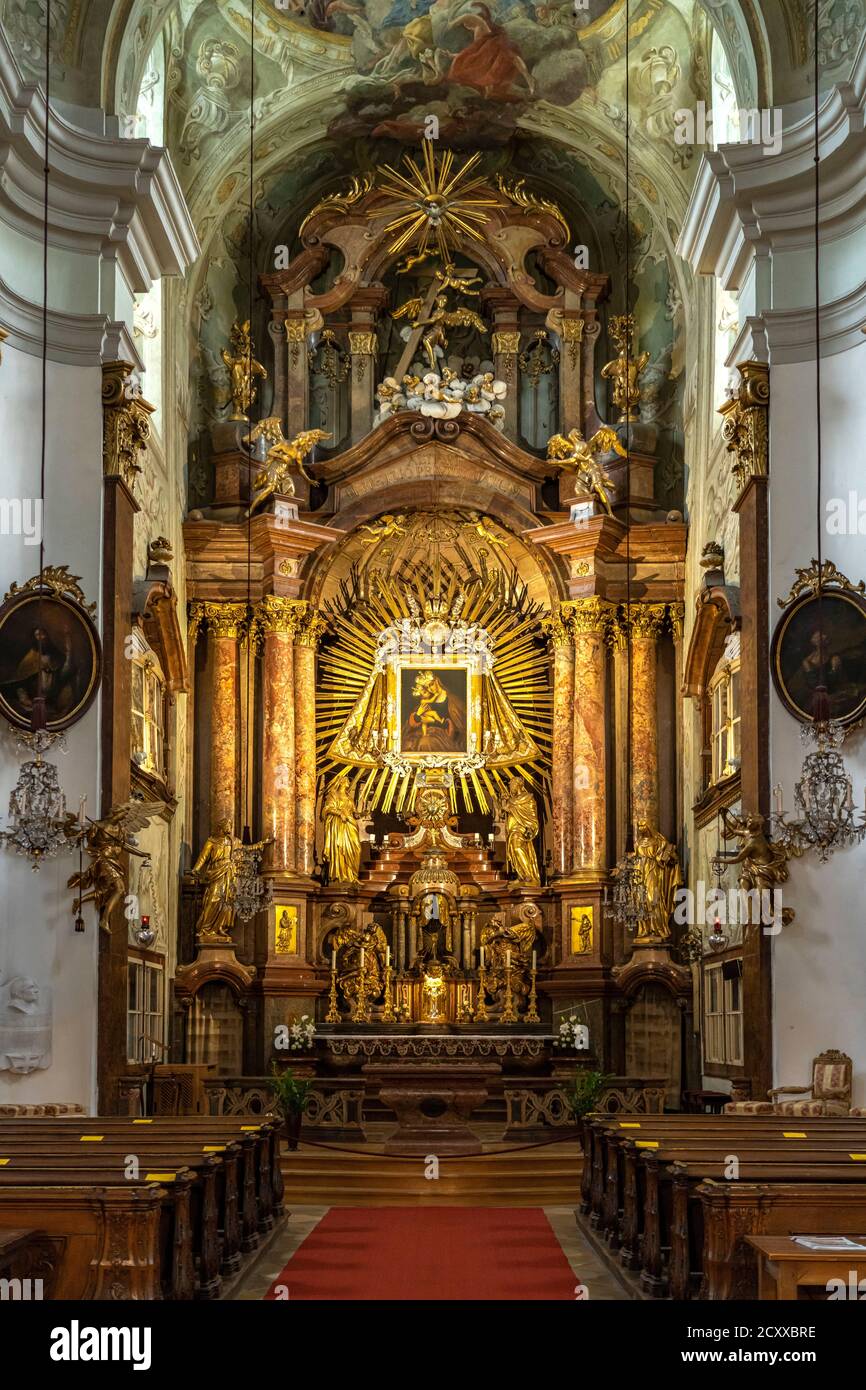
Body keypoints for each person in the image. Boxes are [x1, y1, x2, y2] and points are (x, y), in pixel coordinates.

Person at [401, 669, 466, 753]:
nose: (430, 689)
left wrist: (434, 721)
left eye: (431, 685)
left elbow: (461, 726)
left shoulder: (453, 701)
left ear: (437, 681)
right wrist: (417, 716)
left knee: (425, 742)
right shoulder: (428, 698)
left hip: (443, 735)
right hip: (427, 733)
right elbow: (413, 723)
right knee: (419, 742)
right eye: (427, 687)